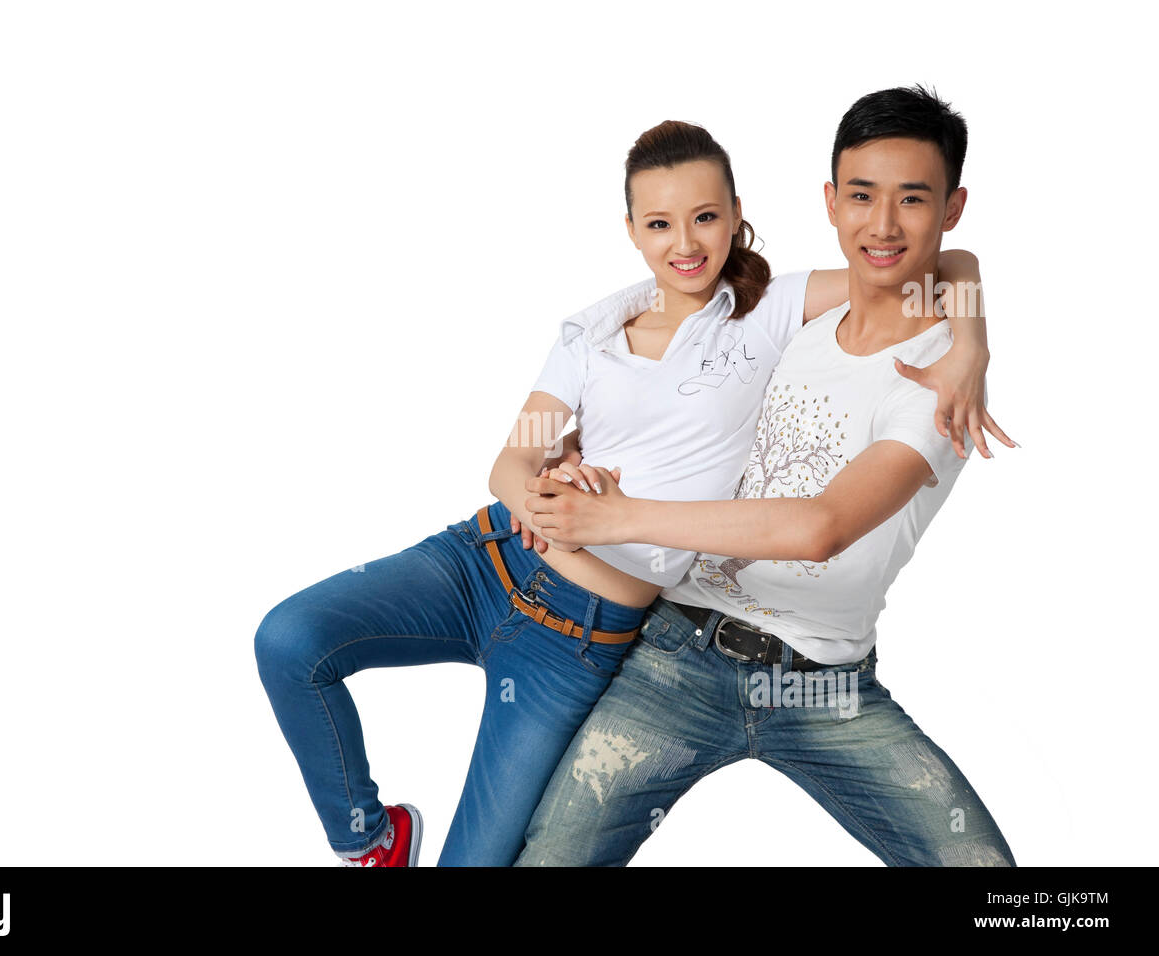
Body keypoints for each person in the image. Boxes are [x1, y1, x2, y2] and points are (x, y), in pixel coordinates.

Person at [253, 114, 1003, 866]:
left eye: (707, 218)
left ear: (738, 220)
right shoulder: (597, 325)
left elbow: (939, 264)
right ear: (633, 230)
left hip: (597, 643)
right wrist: (551, 497)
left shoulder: (774, 306)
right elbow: (510, 463)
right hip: (502, 568)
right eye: (660, 223)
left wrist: (971, 342)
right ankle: (371, 839)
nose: (686, 243)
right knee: (290, 640)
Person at [513, 85, 1016, 867]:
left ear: (952, 206)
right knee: (548, 859)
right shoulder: (798, 317)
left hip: (824, 685)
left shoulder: (942, 384)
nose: (882, 225)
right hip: (680, 651)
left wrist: (621, 516)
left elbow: (818, 528)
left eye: (912, 199)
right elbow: (687, 404)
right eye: (861, 197)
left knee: (991, 879)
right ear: (831, 202)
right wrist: (575, 448)